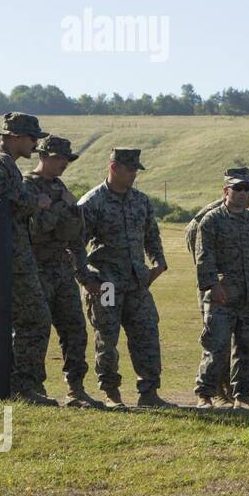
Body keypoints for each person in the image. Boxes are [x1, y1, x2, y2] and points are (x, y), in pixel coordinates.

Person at [0, 112, 56, 405]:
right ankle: (22, 387)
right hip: (7, 254)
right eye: (33, 138)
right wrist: (36, 201)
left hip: (3, 252)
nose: (36, 144)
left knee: (1, 319)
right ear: (17, 137)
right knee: (35, 318)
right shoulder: (0, 162)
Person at [79, 148, 172, 408]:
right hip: (105, 283)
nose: (133, 175)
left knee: (147, 334)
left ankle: (149, 392)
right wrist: (86, 279)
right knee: (107, 339)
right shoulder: (91, 202)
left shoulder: (141, 201)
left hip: (137, 282)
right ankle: (110, 392)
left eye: (136, 170)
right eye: (129, 169)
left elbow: (151, 236)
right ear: (113, 168)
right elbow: (74, 246)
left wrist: (159, 263)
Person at [25, 135, 103, 408]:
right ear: (43, 156)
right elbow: (35, 229)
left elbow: (74, 237)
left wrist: (83, 273)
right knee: (36, 331)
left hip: (62, 269)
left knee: (75, 330)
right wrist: (61, 206)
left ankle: (76, 389)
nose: (64, 164)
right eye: (59, 158)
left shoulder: (59, 187)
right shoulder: (27, 187)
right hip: (36, 270)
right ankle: (31, 388)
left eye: (66, 160)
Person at [193, 170, 249, 410]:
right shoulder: (211, 221)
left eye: (246, 190)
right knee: (216, 347)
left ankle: (243, 395)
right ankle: (204, 394)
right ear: (225, 191)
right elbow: (204, 257)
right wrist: (213, 286)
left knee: (248, 348)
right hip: (222, 295)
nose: (242, 194)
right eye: (237, 189)